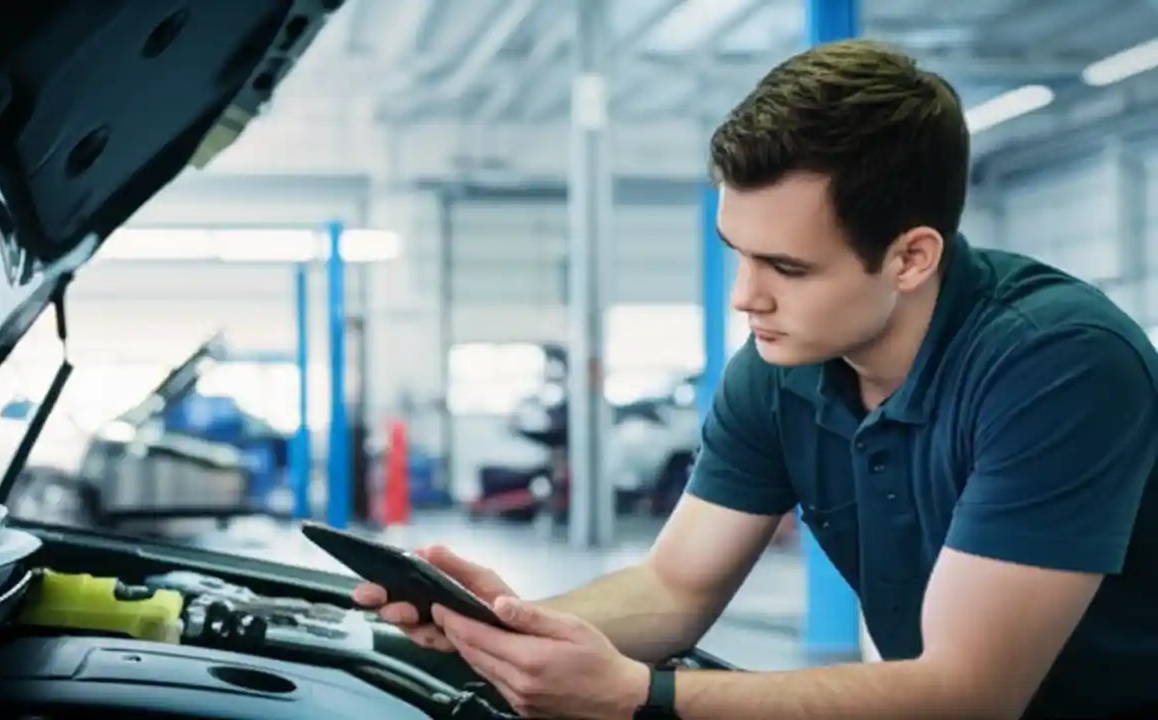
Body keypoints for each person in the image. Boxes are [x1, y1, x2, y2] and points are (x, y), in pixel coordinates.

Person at [354, 38, 1158, 720]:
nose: (745, 296)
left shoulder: (1058, 365)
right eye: (736, 250)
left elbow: (970, 691)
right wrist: (505, 624)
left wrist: (645, 698)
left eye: (787, 267)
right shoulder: (783, 367)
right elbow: (673, 587)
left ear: (911, 257)